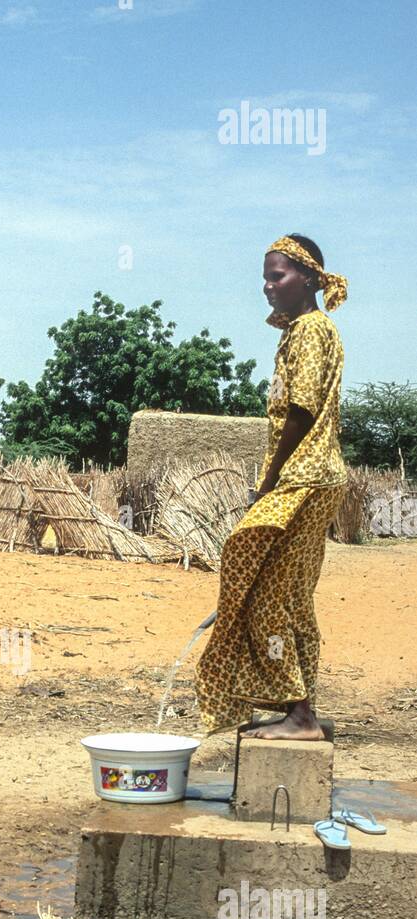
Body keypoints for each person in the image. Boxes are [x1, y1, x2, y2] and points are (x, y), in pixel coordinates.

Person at [195, 234, 348, 739]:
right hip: (316, 476)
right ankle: (297, 706)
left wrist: (269, 479)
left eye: (276, 275)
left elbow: (301, 411)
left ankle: (299, 714)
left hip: (303, 475)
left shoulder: (309, 329)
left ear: (308, 277)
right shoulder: (310, 329)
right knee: (291, 598)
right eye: (264, 276)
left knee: (263, 593)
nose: (267, 286)